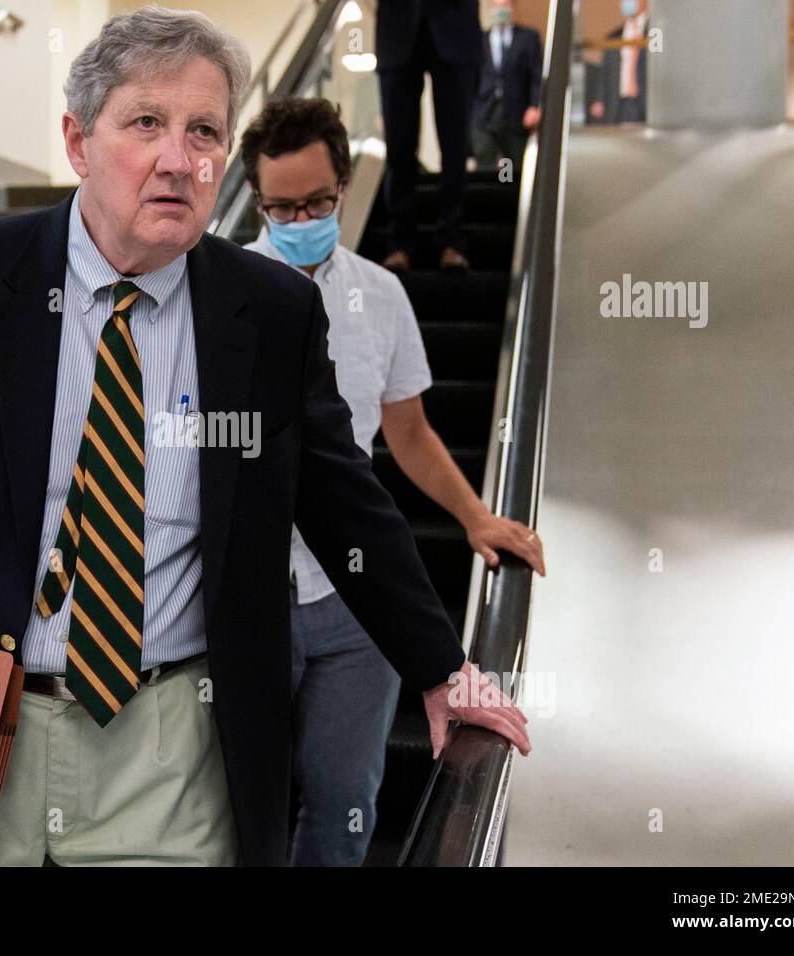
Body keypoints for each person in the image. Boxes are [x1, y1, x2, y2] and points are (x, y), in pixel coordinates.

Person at [0, 4, 530, 869]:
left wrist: (442, 667)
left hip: (170, 754)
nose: (181, 158)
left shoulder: (272, 315)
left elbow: (345, 503)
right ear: (77, 140)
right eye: (147, 123)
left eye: (205, 130)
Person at [239, 97, 546, 866]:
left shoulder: (382, 295)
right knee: (242, 809)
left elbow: (408, 434)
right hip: (247, 598)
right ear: (256, 201)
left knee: (345, 804)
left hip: (354, 602)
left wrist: (475, 516)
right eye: (282, 206)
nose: (300, 216)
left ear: (346, 184)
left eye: (316, 201)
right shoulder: (222, 293)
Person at [375, 0, 483, 273]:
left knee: (455, 145)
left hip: (456, 29)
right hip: (397, 30)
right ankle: (400, 243)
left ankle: (452, 241)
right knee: (398, 147)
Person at [471, 0, 542, 170]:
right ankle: (489, 196)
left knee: (510, 168)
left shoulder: (527, 39)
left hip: (515, 115)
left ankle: (508, 194)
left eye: (505, 5)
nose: (501, 10)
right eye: (497, 5)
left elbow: (536, 77)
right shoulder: (479, 40)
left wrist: (534, 106)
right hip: (485, 114)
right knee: (485, 163)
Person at [589, 0, 649, 124]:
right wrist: (599, 99)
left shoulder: (655, 32)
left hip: (645, 103)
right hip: (619, 104)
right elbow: (606, 71)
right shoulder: (614, 37)